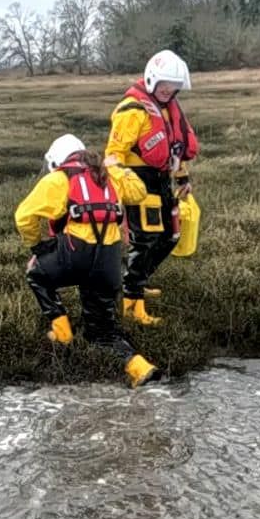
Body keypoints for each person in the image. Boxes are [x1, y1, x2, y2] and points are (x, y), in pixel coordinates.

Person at [15, 134, 163, 388]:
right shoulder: (110, 174)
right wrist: (116, 166)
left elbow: (23, 216)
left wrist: (38, 246)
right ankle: (140, 368)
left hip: (73, 256)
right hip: (108, 263)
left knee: (36, 274)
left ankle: (62, 332)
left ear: (58, 161)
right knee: (102, 334)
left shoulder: (58, 179)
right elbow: (138, 192)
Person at [105, 49, 200, 326]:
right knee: (143, 240)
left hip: (162, 181)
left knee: (170, 236)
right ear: (152, 80)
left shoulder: (169, 110)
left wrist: (182, 178)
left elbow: (175, 148)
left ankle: (137, 279)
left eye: (174, 87)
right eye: (164, 85)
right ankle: (132, 303)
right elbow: (113, 154)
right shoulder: (132, 111)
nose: (168, 90)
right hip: (138, 182)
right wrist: (121, 189)